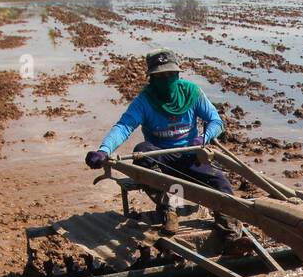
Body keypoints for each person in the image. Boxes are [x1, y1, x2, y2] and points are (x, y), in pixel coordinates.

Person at [84, 49, 240, 236]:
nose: (166, 80)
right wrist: (104, 150)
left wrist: (203, 138)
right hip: (160, 157)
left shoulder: (192, 93)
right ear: (151, 78)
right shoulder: (145, 100)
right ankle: (169, 210)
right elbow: (124, 127)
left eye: (170, 74)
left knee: (220, 182)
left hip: (191, 154)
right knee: (141, 151)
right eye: (160, 76)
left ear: (177, 74)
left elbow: (216, 121)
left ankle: (230, 232)